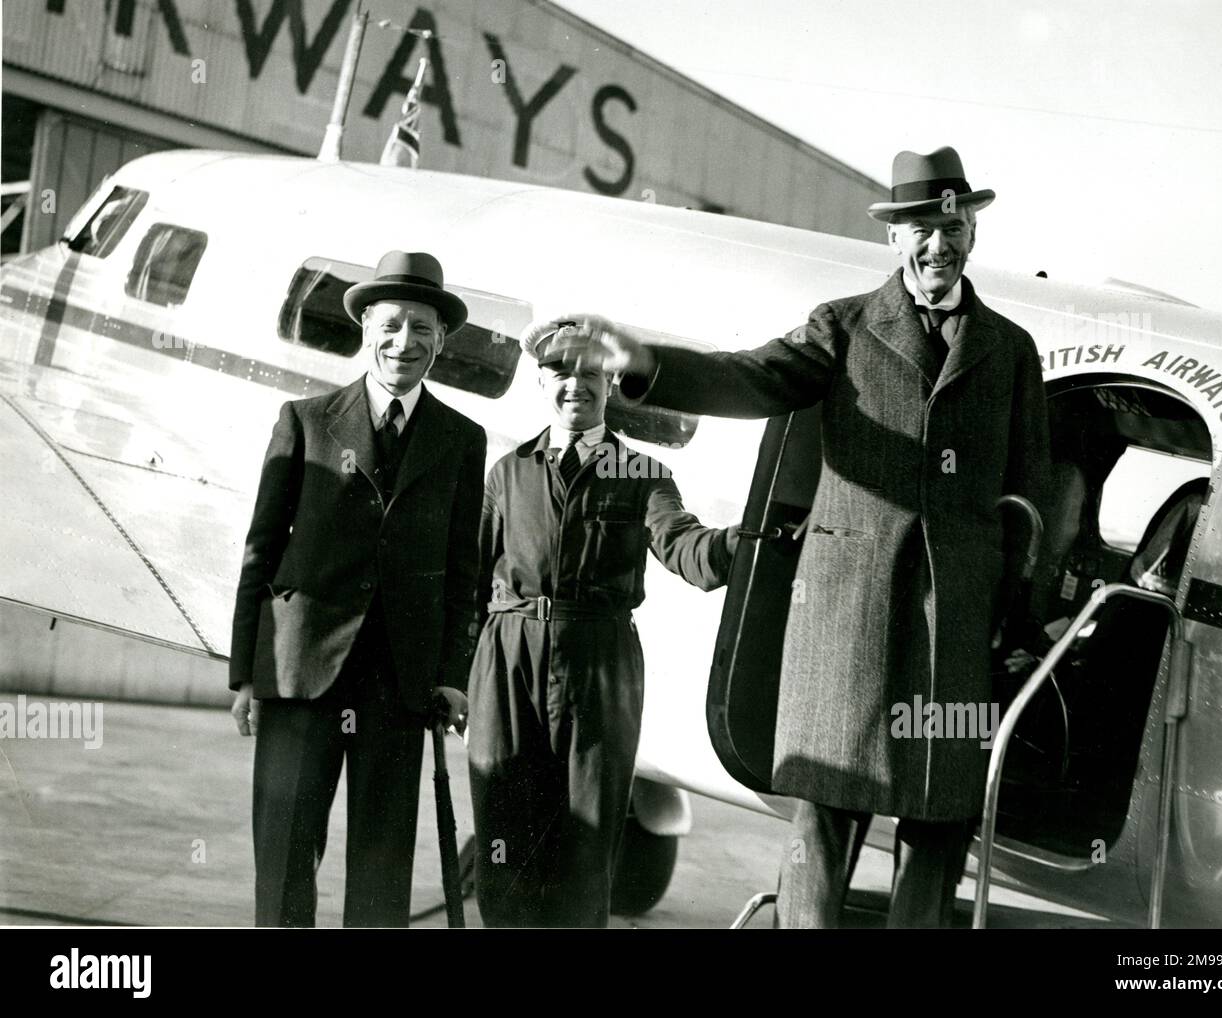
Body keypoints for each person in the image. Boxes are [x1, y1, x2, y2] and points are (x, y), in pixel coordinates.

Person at [528, 147, 1051, 927]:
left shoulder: (1010, 351)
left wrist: (1017, 617)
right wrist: (643, 363)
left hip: (956, 630)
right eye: (918, 226)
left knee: (937, 833)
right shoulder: (842, 328)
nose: (936, 243)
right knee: (825, 827)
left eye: (950, 223)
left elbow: (1030, 502)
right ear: (894, 238)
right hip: (849, 624)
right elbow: (749, 378)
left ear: (970, 229)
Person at [228, 250, 486, 927]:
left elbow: (466, 571)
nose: (407, 343)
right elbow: (260, 551)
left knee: (380, 873)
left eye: (424, 329)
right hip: (298, 673)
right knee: (284, 861)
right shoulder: (306, 420)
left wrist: (455, 674)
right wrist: (242, 674)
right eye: (393, 324)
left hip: (398, 687)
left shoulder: (462, 439)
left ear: (441, 341)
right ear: (365, 326)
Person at [467, 323, 737, 927]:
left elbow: (684, 545)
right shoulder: (508, 473)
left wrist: (742, 546)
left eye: (590, 372)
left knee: (585, 845)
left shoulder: (642, 474)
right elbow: (469, 580)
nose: (575, 385)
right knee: (503, 835)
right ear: (541, 381)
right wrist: (461, 679)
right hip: (508, 660)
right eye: (561, 371)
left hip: (600, 664)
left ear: (610, 383)